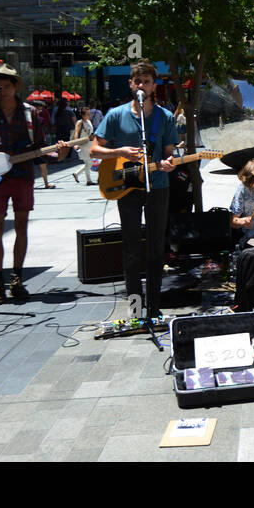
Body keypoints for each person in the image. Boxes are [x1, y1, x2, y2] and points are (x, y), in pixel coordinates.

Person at [89, 60, 178, 318]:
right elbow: (95, 149)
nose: (141, 85)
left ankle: (154, 307)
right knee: (131, 247)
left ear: (154, 85)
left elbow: (170, 154)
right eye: (137, 81)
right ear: (130, 84)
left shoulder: (165, 117)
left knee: (155, 247)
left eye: (146, 81)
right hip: (126, 185)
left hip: (158, 185)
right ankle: (136, 309)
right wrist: (119, 151)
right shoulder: (116, 115)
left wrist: (169, 164)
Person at [0, 65, 59, 305]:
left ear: (15, 86)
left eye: (6, 86)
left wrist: (59, 153)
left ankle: (17, 279)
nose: (2, 90)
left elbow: (40, 148)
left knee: (21, 226)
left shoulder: (30, 114)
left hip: (22, 175)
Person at [73, 107, 96, 185]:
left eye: (90, 113)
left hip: (90, 144)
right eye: (88, 114)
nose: (90, 115)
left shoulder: (89, 122)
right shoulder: (80, 122)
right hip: (83, 145)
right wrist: (76, 143)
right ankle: (86, 179)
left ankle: (80, 175)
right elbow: (76, 133)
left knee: (88, 162)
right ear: (82, 115)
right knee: (90, 162)